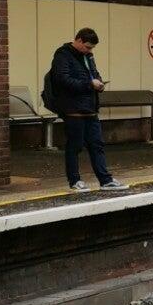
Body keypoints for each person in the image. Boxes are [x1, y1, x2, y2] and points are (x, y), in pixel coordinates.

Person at [49, 27, 127, 194]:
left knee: (97, 144)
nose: (89, 50)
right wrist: (89, 84)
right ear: (78, 40)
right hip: (73, 109)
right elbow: (62, 79)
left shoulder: (88, 57)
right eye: (87, 46)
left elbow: (94, 74)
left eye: (91, 48)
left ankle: (105, 180)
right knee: (75, 145)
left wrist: (98, 83)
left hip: (90, 108)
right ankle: (75, 180)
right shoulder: (63, 55)